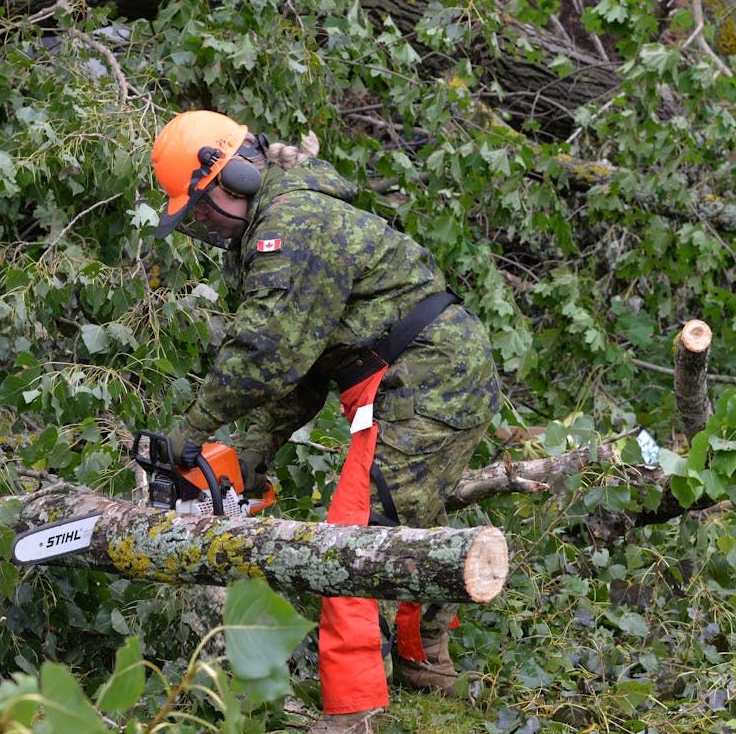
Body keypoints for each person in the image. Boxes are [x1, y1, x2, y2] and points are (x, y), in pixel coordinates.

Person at [151, 110, 501, 734]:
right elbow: (302, 376)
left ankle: (354, 711)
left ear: (234, 176)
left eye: (201, 209)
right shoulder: (281, 220)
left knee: (354, 542)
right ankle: (426, 667)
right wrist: (247, 457)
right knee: (403, 524)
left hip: (427, 380)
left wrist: (192, 429)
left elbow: (266, 353)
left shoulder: (294, 224)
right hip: (432, 374)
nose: (202, 224)